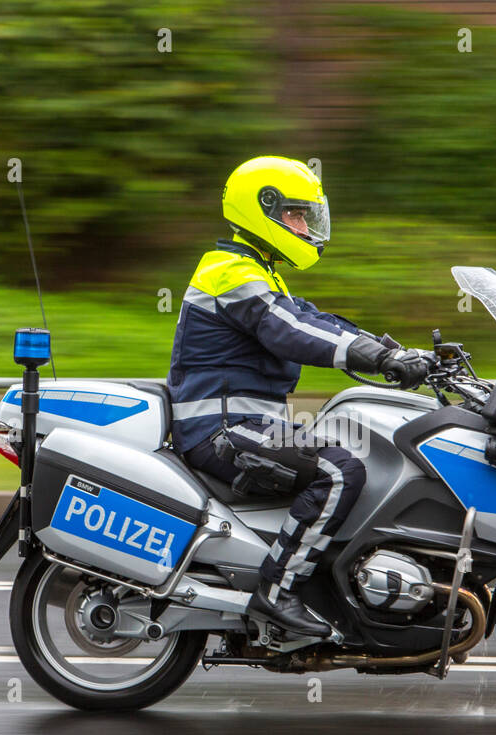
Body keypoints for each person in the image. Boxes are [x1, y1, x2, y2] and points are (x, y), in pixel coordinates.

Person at [167, 156, 429, 637]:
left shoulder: (258, 271)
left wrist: (394, 350)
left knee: (360, 445)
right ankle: (276, 591)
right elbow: (288, 331)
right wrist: (377, 358)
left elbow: (318, 320)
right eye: (295, 214)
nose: (305, 226)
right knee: (338, 468)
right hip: (222, 429)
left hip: (248, 423)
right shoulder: (227, 272)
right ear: (261, 208)